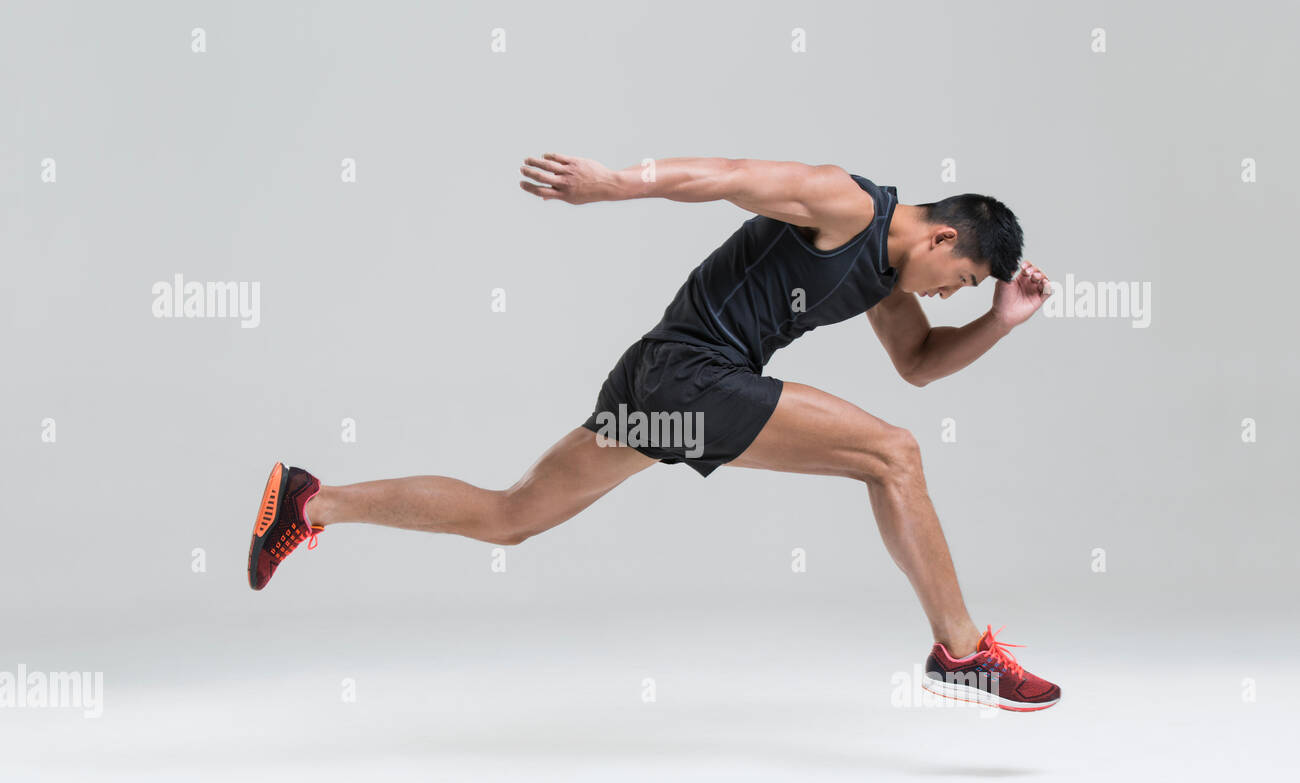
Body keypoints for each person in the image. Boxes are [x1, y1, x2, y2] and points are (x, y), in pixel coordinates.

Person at [247, 153, 1060, 712]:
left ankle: (311, 503)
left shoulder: (887, 278)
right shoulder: (847, 202)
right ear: (944, 237)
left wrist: (1002, 320)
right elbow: (733, 176)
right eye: (961, 282)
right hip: (695, 376)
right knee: (895, 454)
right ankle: (961, 651)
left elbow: (918, 363)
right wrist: (611, 185)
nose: (953, 294)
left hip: (659, 382)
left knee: (511, 515)